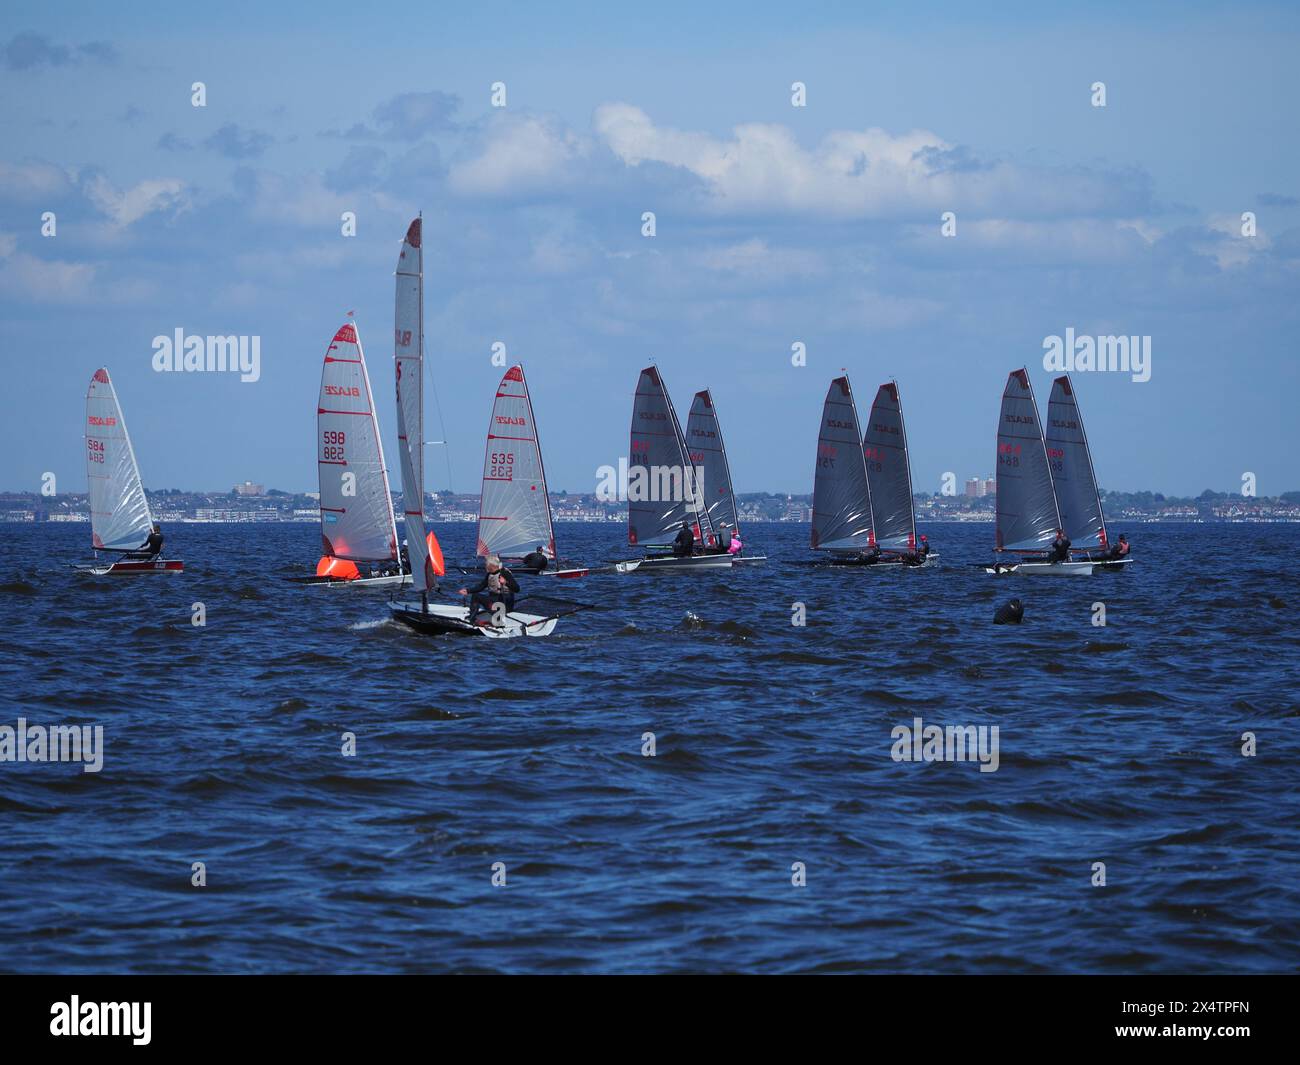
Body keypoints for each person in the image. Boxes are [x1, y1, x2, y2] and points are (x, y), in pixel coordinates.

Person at [458, 555, 519, 624]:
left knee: (476, 596)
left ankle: (472, 620)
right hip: (494, 602)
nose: (485, 566)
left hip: (503, 605)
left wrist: (505, 582)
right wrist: (468, 591)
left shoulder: (505, 573)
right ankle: (475, 618)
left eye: (486, 564)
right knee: (476, 595)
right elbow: (481, 586)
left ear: (491, 565)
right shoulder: (490, 574)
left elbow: (517, 589)